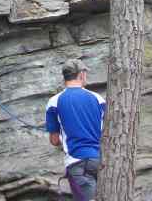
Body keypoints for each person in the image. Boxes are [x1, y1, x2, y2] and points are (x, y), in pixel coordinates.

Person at [45, 59, 106, 201]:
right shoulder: (98, 99)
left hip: (76, 162)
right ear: (82, 74)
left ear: (64, 76)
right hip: (101, 161)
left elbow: (54, 141)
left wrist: (63, 138)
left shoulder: (54, 102)